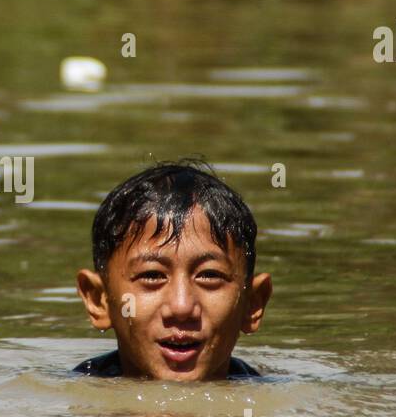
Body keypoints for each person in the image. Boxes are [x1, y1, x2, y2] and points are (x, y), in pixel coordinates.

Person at [74, 159, 272, 381]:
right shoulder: (62, 407)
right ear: (99, 300)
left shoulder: (280, 406)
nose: (181, 307)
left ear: (253, 304)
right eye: (152, 275)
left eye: (209, 275)